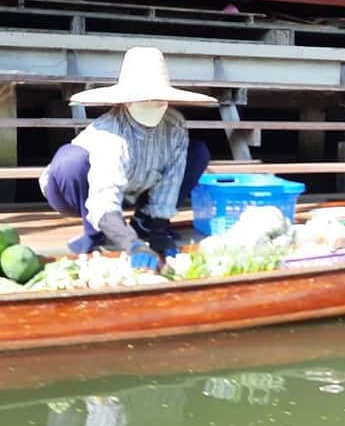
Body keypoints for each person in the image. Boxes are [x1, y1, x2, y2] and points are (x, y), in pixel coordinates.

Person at [40, 47, 216, 268]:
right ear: (126, 101)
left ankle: (145, 222)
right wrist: (130, 243)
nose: (152, 105)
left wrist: (157, 229)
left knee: (197, 151)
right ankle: (95, 232)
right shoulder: (111, 133)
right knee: (72, 162)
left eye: (158, 100)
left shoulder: (174, 125)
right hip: (76, 192)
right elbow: (103, 199)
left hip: (134, 188)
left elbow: (172, 178)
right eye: (144, 100)